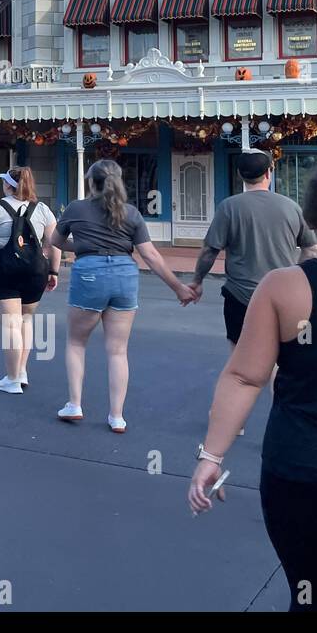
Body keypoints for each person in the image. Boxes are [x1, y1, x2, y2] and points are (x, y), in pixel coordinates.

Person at [189, 166, 317, 612]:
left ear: (312, 221)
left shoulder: (286, 287)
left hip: (301, 472)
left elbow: (245, 376)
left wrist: (211, 456)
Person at [49, 159, 194, 432]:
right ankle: (117, 416)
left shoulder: (75, 208)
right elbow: (150, 255)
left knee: (77, 342)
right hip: (124, 274)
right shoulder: (131, 213)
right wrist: (178, 287)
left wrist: (81, 245)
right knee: (118, 350)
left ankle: (75, 404)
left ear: (91, 182)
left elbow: (54, 242)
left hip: (89, 272)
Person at [190, 150, 317, 347]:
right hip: (281, 294)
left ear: (240, 174)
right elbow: (310, 249)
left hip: (240, 296)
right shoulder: (291, 207)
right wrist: (295, 274)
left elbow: (209, 250)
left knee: (241, 354)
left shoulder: (229, 207)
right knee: (279, 353)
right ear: (268, 173)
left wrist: (197, 281)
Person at [0, 167, 61, 393]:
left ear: (8, 185)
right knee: (25, 320)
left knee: (10, 324)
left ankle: (12, 378)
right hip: (36, 270)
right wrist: (53, 271)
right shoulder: (43, 209)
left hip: (4, 268)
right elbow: (54, 243)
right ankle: (22, 370)